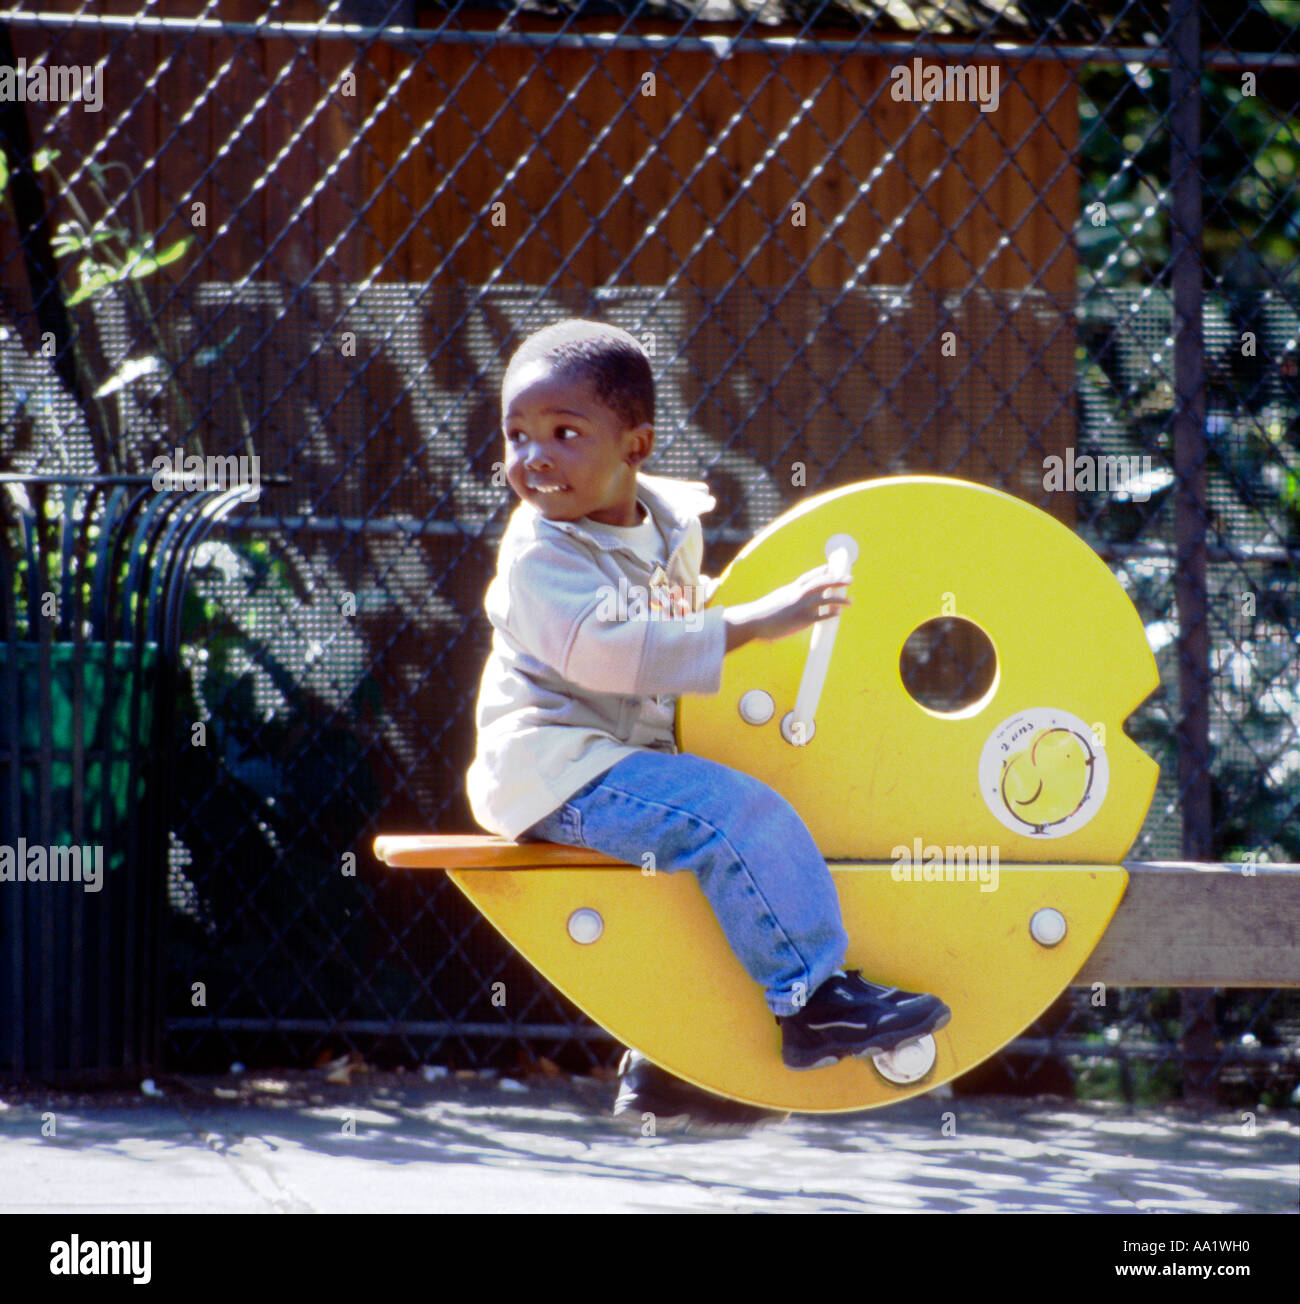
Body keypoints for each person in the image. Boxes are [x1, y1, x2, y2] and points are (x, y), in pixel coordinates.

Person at [466, 319, 949, 1118]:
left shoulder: (664, 525)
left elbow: (680, 612)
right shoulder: (539, 556)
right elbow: (612, 653)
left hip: (622, 759)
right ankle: (814, 1003)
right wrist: (754, 621)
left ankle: (671, 1060)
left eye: (563, 433)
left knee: (716, 848)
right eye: (517, 436)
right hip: (555, 770)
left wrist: (765, 609)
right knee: (732, 817)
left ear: (636, 445)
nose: (534, 457)